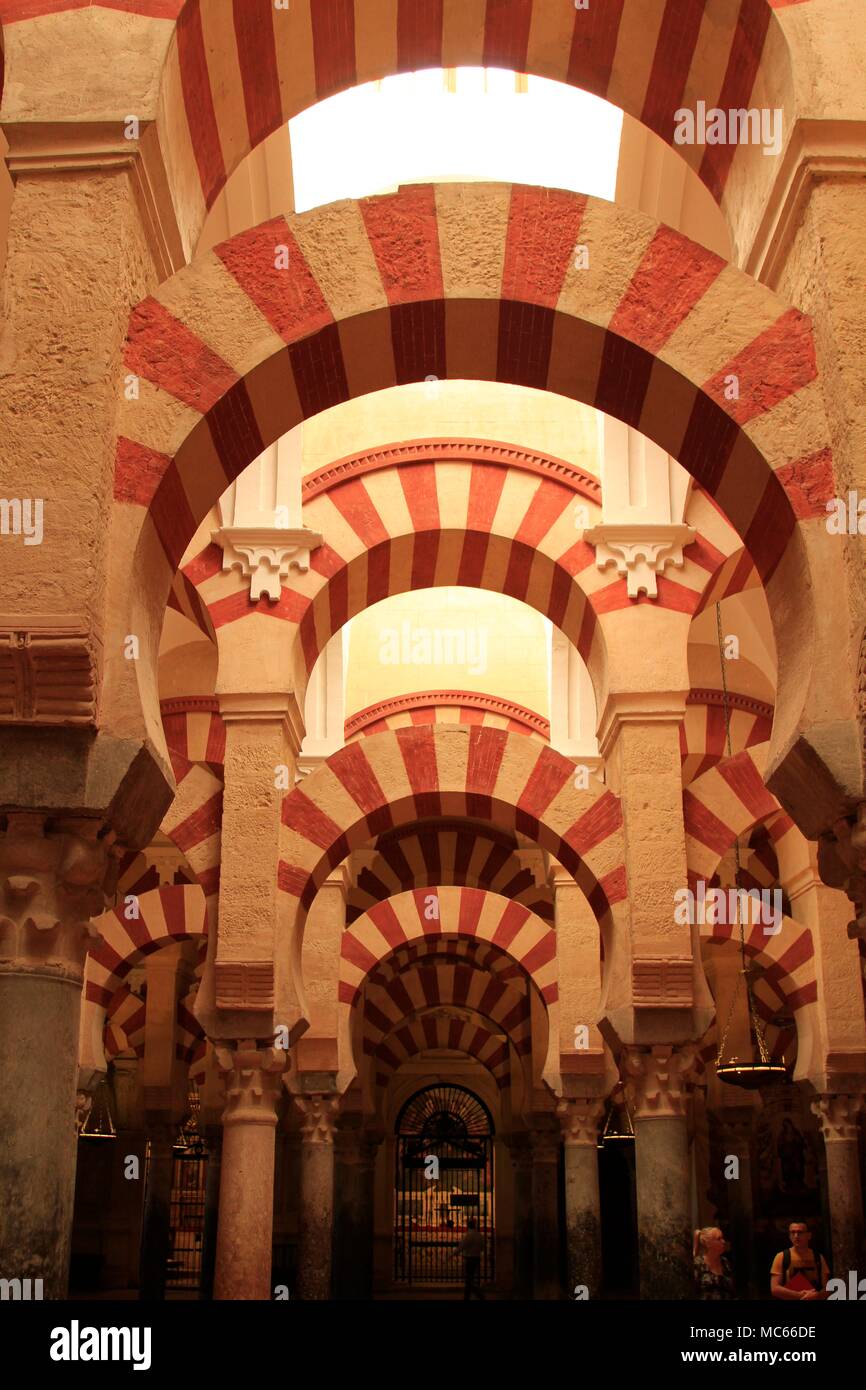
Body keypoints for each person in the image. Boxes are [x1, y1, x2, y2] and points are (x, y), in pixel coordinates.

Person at [770, 1222, 829, 1300]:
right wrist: (800, 1296)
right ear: (789, 1236)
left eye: (800, 1232)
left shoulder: (818, 1257)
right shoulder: (781, 1257)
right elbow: (774, 1288)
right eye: (792, 1232)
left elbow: (827, 1288)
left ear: (809, 1235)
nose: (796, 1236)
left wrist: (817, 1295)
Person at [693, 1227, 736, 1300]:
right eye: (719, 1239)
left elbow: (732, 1291)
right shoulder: (698, 1264)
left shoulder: (725, 1262)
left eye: (723, 1238)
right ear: (708, 1243)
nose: (723, 1241)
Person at [460, 1218, 485, 1300]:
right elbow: (482, 1247)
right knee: (471, 1278)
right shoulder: (479, 1235)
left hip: (470, 1258)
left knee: (468, 1279)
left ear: (468, 1226)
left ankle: (478, 1293)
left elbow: (462, 1246)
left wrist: (453, 1254)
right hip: (477, 1258)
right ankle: (468, 1296)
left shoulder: (468, 1235)